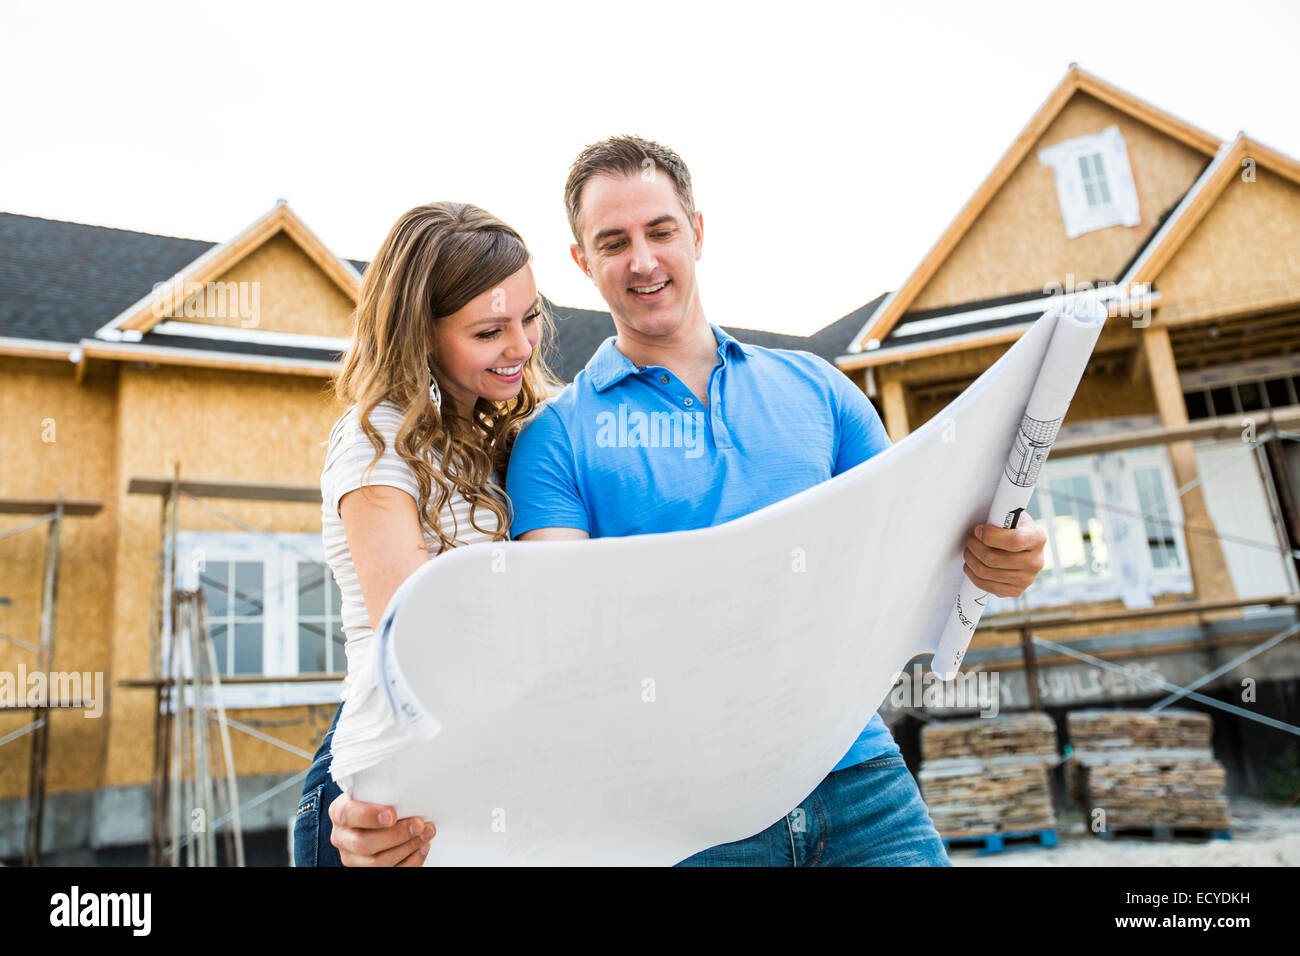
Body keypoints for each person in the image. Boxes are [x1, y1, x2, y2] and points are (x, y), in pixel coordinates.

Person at [328, 136, 1049, 866]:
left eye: (661, 230)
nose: (642, 260)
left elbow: (918, 538)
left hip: (856, 775)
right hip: (684, 809)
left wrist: (997, 558)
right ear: (581, 262)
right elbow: (550, 639)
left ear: (697, 232)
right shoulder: (549, 440)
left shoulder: (823, 391)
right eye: (614, 241)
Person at [293, 201, 558, 866]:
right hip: (382, 787)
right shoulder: (375, 442)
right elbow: (417, 640)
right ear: (422, 335)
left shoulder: (491, 435)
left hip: (470, 762)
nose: (522, 347)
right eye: (489, 330)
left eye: (529, 318)